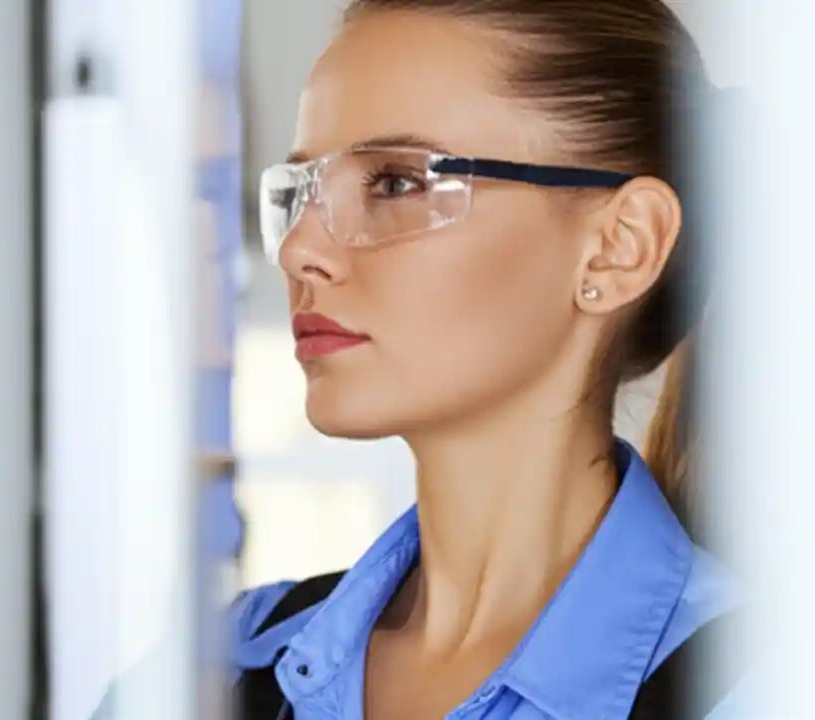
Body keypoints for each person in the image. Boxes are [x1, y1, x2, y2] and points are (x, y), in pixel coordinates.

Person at [233, 1, 740, 718]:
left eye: (396, 183)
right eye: (303, 192)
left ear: (620, 245)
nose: (299, 251)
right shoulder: (223, 665)